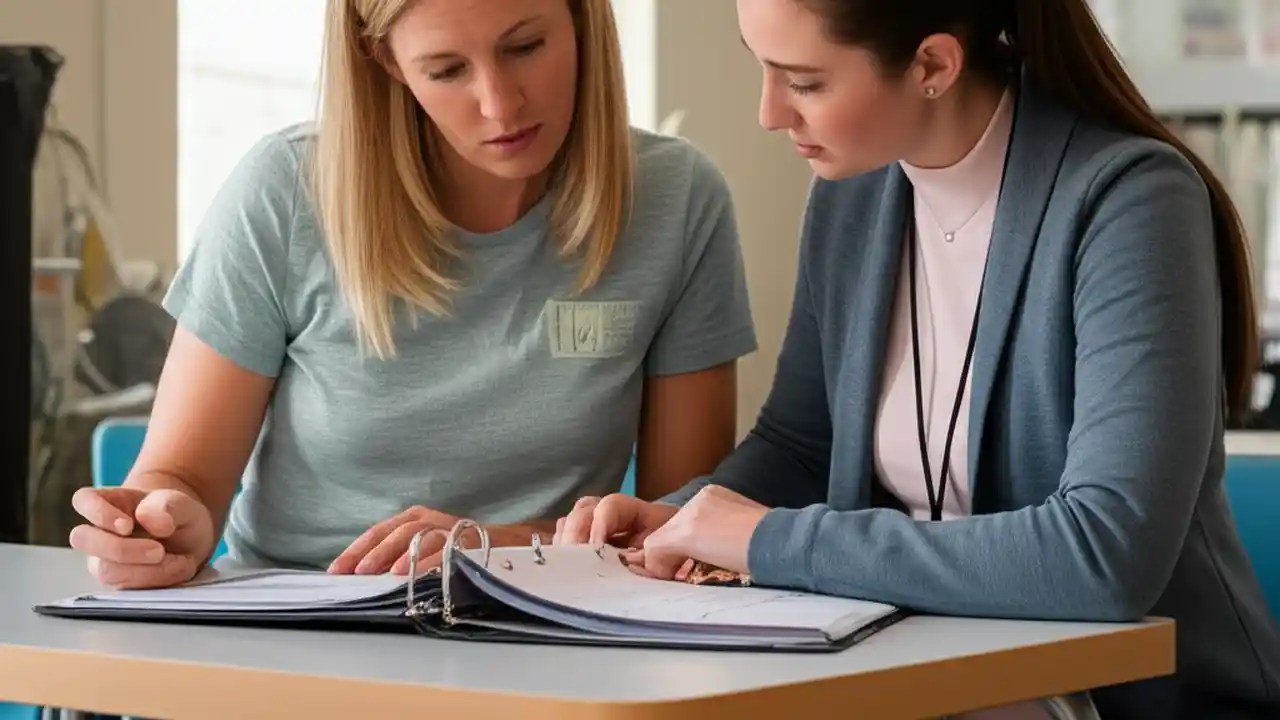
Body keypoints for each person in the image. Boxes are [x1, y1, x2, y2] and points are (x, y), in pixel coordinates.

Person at [554, 0, 1280, 716]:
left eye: (804, 82)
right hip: (920, 674)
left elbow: (1106, 553)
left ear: (933, 64)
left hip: (1121, 699)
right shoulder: (857, 194)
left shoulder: (1128, 200)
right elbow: (801, 447)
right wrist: (677, 520)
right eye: (764, 71)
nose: (769, 113)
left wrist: (766, 539)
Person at [66, 0, 756, 589]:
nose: (499, 103)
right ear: (385, 60)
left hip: (548, 637)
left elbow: (677, 530)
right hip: (297, 638)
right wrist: (164, 526)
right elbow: (180, 477)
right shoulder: (283, 195)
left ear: (581, 19)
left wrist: (502, 551)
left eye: (526, 46)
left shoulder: (677, 202)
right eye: (448, 69)